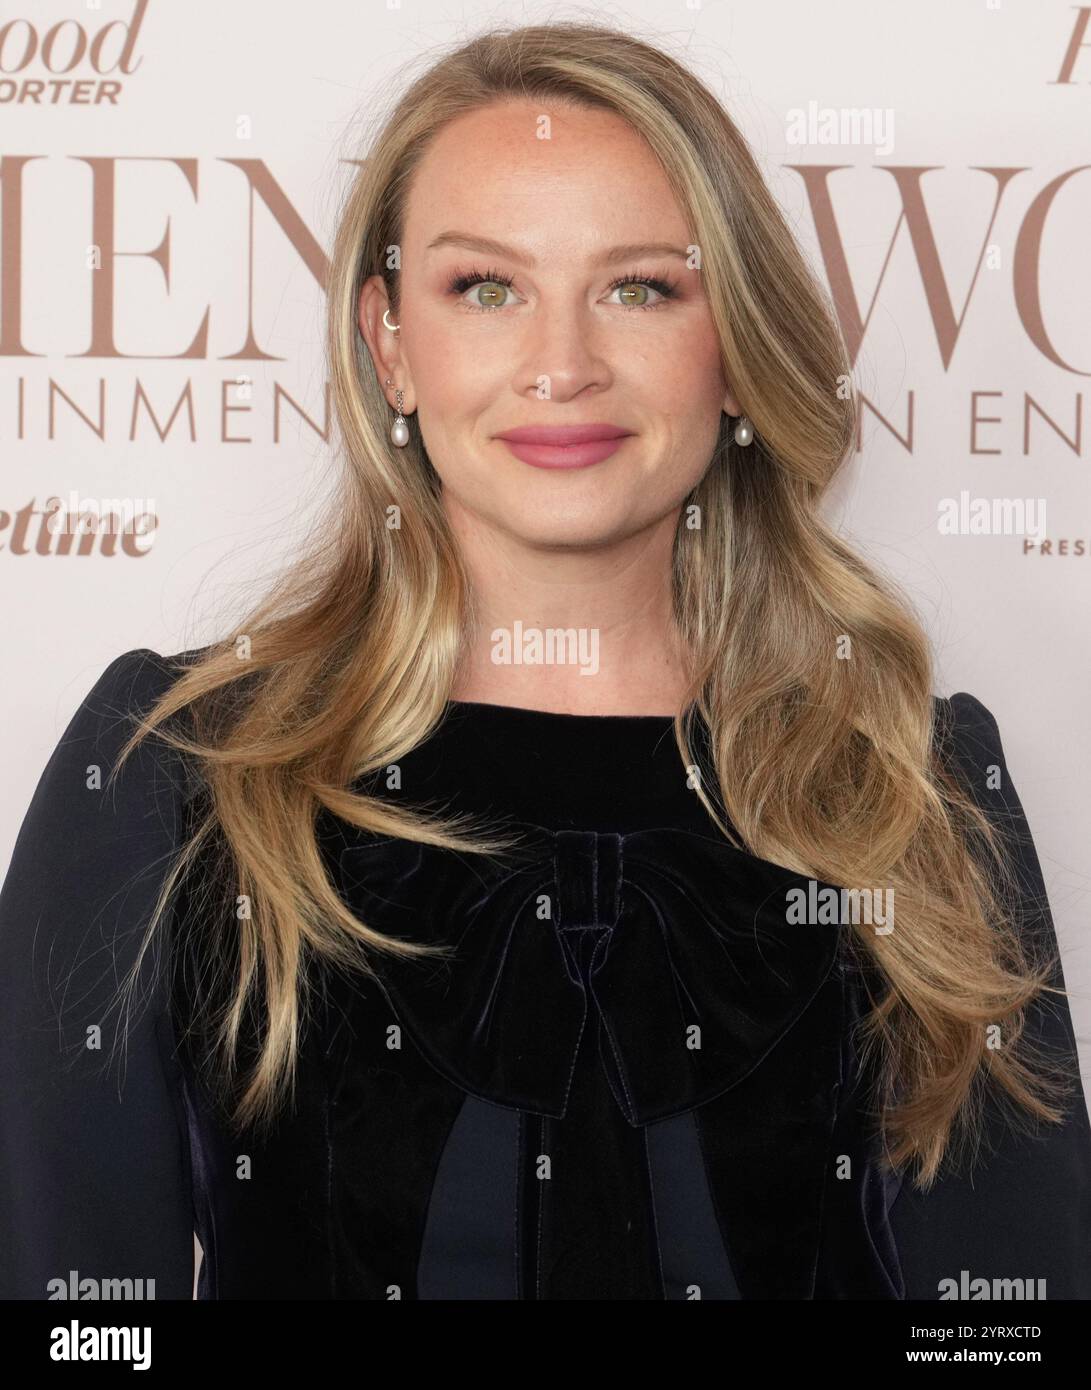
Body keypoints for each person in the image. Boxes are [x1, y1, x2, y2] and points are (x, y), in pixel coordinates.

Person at [2, 21, 1088, 1301]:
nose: (561, 366)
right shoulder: (175, 774)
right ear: (391, 342)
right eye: (484, 287)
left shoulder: (908, 780)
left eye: (640, 287)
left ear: (732, 343)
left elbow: (1012, 1324)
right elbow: (73, 1325)